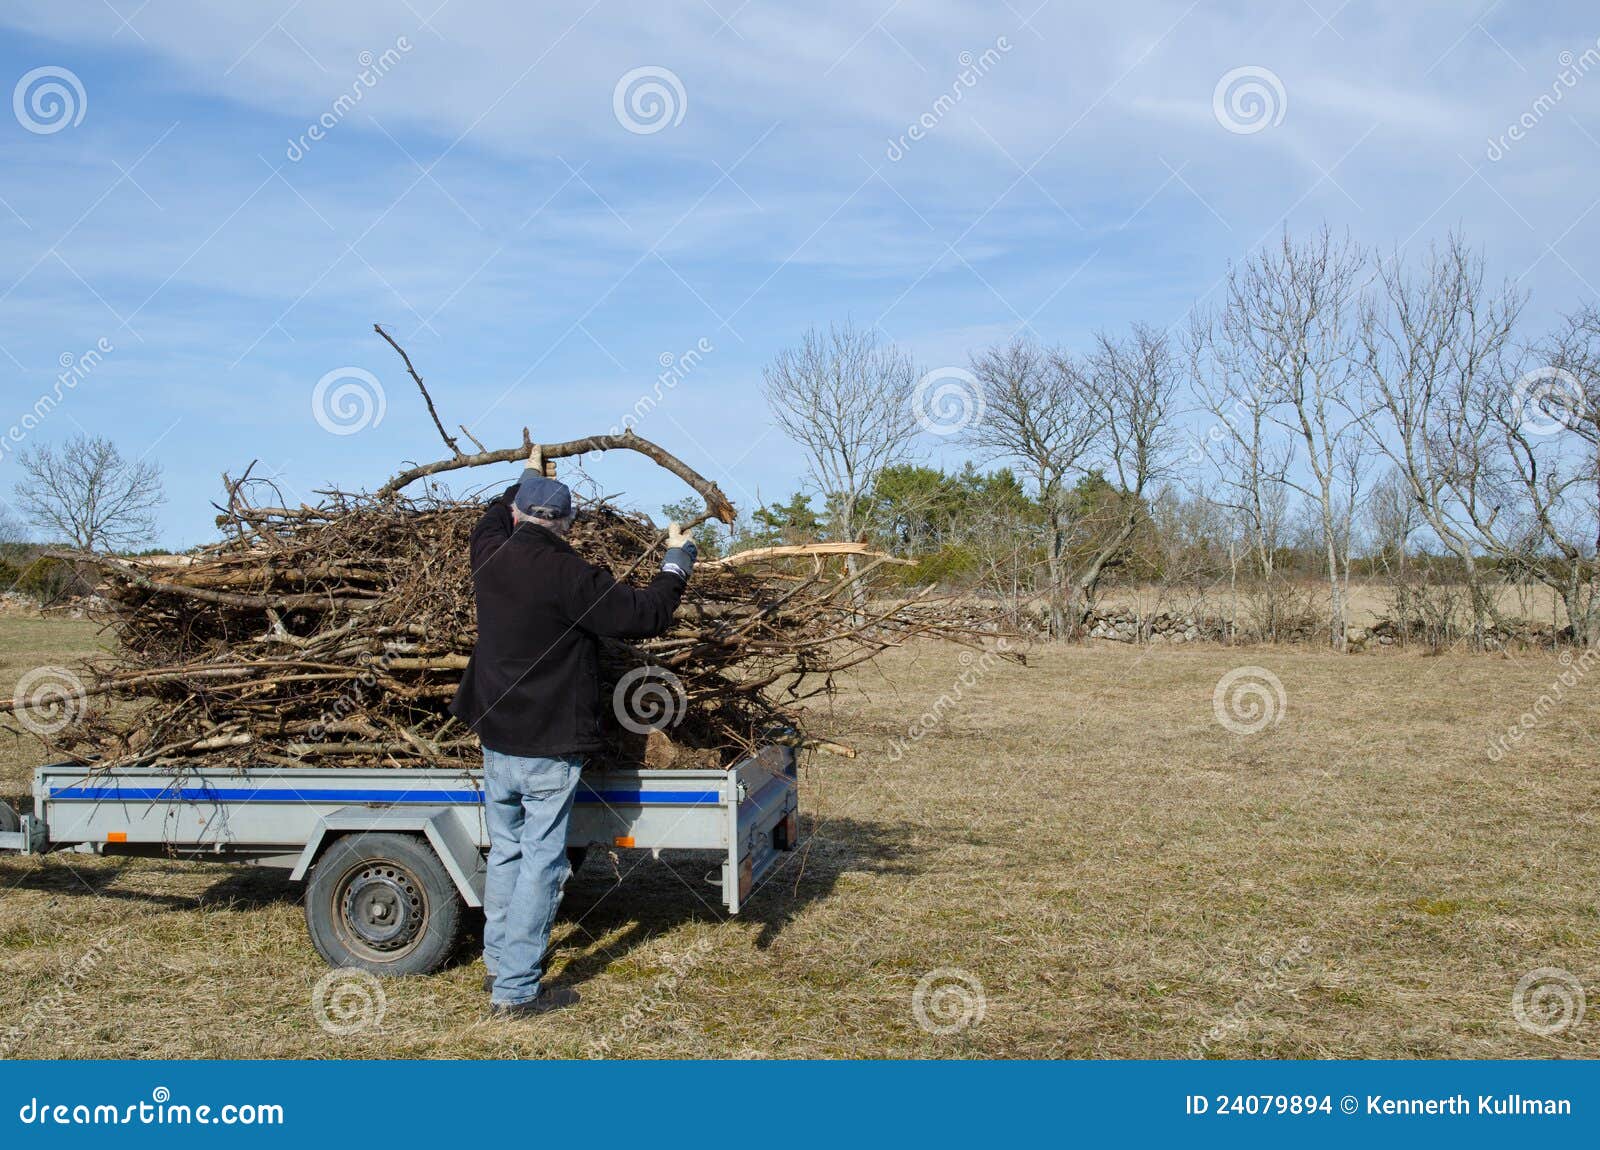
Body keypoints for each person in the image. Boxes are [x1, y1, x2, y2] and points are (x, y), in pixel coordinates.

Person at [449, 447, 698, 1017]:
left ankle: (498, 968)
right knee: (541, 860)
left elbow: (489, 517)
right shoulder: (569, 574)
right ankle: (515, 991)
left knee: (508, 852)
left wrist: (527, 475)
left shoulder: (489, 552)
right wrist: (676, 563)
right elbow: (644, 615)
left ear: (517, 516)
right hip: (548, 745)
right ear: (565, 525)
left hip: (496, 736)